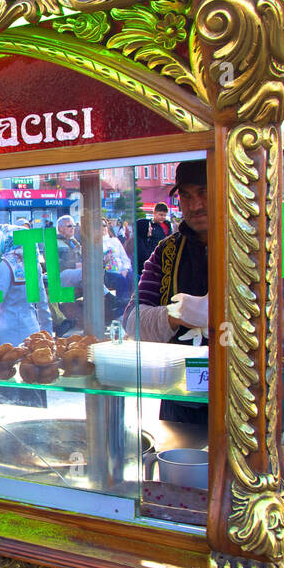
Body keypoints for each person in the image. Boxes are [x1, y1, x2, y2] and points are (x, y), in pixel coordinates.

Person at [124, 160, 208, 424]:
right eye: (186, 196)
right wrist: (177, 314)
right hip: (181, 395)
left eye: (204, 193)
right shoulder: (166, 250)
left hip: (247, 391)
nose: (195, 206)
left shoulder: (263, 240)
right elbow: (132, 322)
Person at [135, 201, 171, 277]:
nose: (163, 217)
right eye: (160, 215)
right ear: (154, 213)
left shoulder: (167, 225)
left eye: (165, 215)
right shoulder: (148, 225)